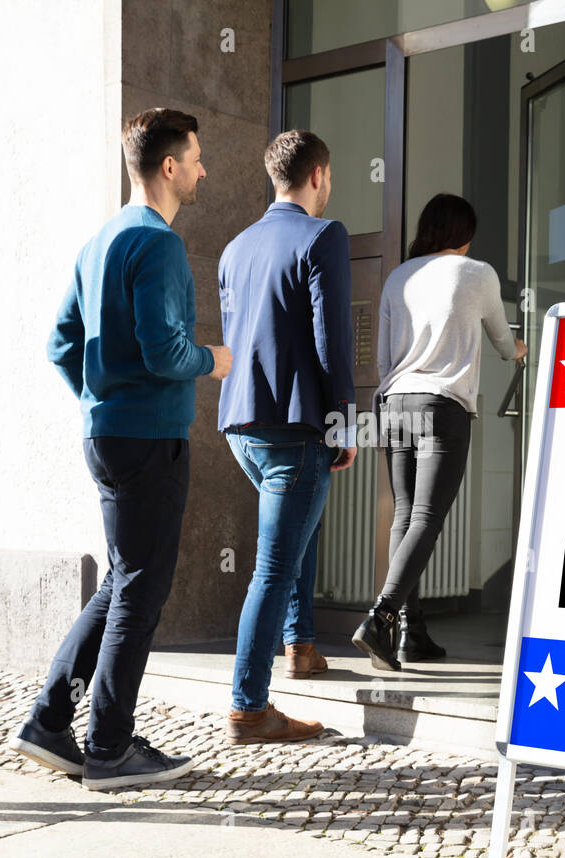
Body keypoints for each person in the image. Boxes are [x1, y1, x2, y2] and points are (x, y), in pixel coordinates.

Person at [9, 108, 232, 790]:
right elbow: (166, 352)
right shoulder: (158, 244)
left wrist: (97, 399)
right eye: (195, 158)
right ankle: (109, 748)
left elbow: (60, 345)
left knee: (121, 580)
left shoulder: (98, 241)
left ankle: (52, 721)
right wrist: (213, 361)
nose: (202, 169)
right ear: (168, 166)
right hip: (147, 437)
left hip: (105, 434)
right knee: (141, 589)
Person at [217, 129, 355, 743]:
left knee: (302, 525)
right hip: (296, 426)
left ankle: (300, 645)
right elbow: (332, 340)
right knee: (273, 566)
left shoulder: (235, 247)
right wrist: (345, 422)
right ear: (318, 176)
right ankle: (249, 706)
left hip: (240, 424)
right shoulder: (325, 236)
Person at [353, 193, 526, 667]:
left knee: (405, 516)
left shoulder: (397, 277)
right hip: (441, 403)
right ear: (464, 235)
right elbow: (502, 343)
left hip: (394, 401)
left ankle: (412, 634)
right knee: (427, 517)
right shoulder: (478, 274)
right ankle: (381, 616)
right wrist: (521, 349)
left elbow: (385, 359)